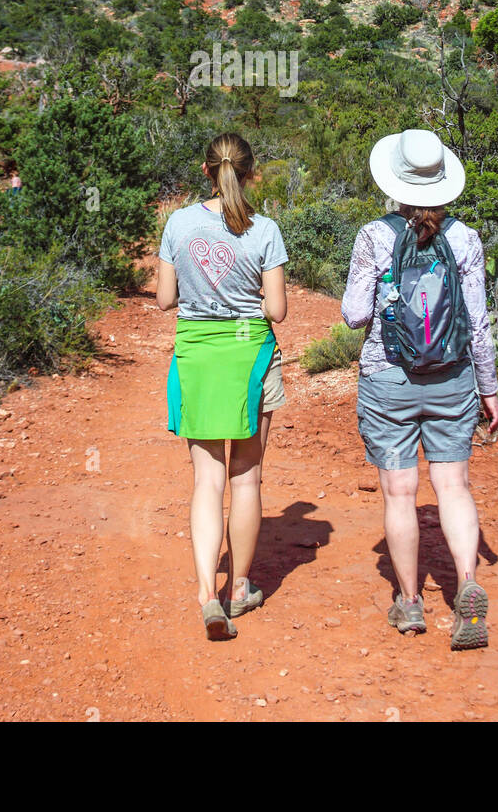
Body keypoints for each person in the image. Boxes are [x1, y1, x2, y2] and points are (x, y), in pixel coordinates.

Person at [341, 128, 498, 650]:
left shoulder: (374, 235)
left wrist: (384, 289)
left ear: (395, 180)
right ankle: (468, 587)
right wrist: (489, 387)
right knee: (453, 487)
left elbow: (353, 315)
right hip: (453, 377)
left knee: (401, 492)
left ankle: (410, 603)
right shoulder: (466, 238)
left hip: (388, 378)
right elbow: (477, 323)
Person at [157, 132, 288, 640]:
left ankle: (206, 595)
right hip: (251, 357)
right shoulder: (265, 229)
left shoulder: (179, 223)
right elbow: (276, 309)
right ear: (250, 172)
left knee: (207, 480)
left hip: (197, 357)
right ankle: (238, 589)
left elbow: (166, 300)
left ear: (206, 171)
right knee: (246, 479)